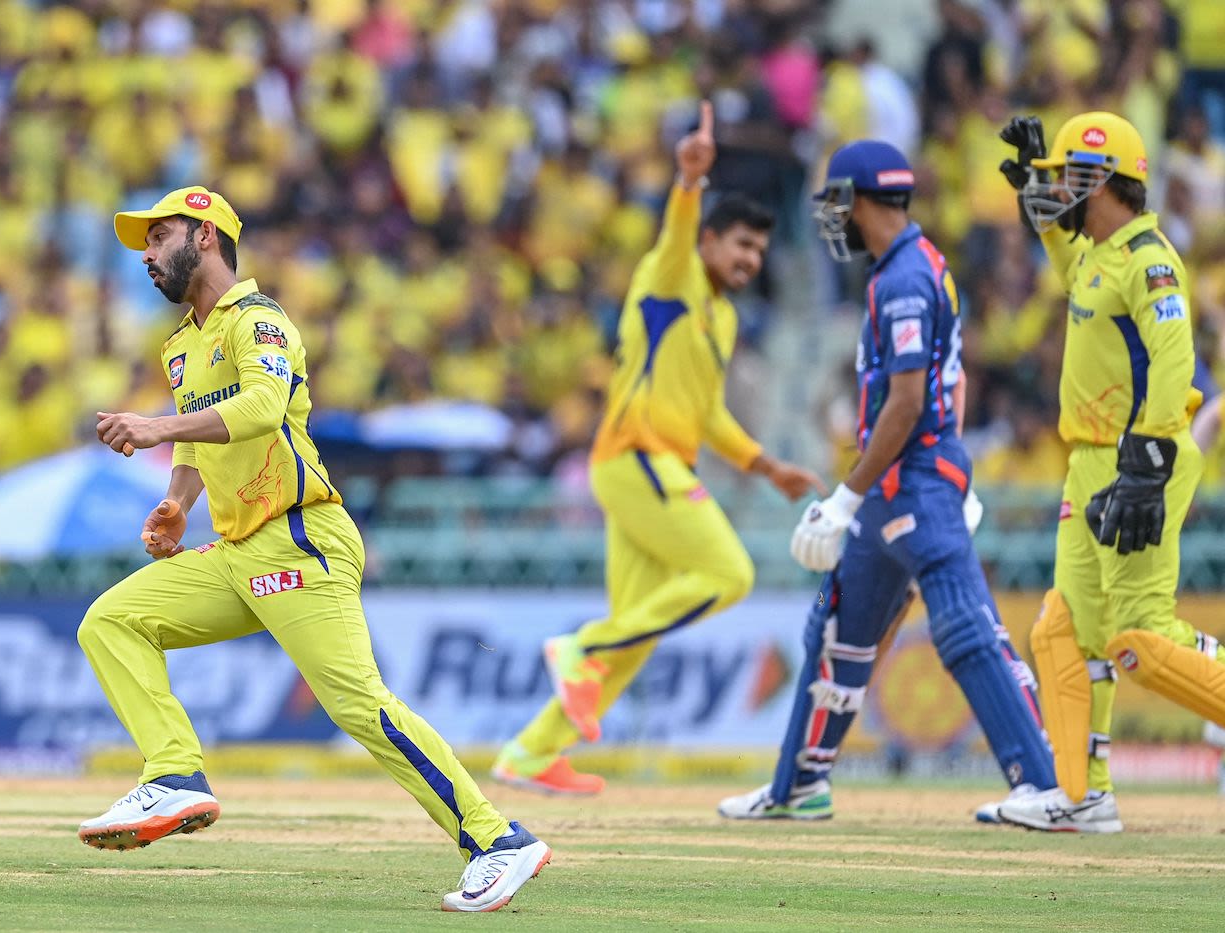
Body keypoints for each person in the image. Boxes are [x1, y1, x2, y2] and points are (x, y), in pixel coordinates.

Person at [80, 186, 550, 912]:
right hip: (239, 549)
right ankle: (175, 775)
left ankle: (499, 839)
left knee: (360, 704)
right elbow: (209, 435)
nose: (144, 255)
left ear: (205, 237)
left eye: (157, 236)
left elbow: (264, 408)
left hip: (298, 538)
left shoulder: (259, 319)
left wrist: (156, 428)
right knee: (110, 622)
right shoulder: (182, 345)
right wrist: (177, 502)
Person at [716, 140, 1057, 823]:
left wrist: (845, 498)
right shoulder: (919, 264)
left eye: (839, 202)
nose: (833, 218)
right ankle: (798, 785)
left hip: (917, 479)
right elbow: (947, 383)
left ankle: (1046, 783)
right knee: (837, 630)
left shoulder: (903, 278)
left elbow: (906, 402)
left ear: (864, 199)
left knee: (966, 627)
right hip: (907, 480)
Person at [491, 103, 826, 795]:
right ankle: (579, 645)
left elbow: (705, 411)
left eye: (759, 251)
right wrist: (688, 182)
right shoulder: (670, 278)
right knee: (730, 573)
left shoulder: (723, 316)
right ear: (707, 241)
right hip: (637, 459)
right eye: (739, 245)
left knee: (636, 632)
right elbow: (676, 234)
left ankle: (530, 751)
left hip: (646, 468)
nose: (749, 259)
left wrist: (767, 467)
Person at [994, 112, 1225, 832]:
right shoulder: (1096, 254)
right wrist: (1038, 195)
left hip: (1136, 459)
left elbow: (1174, 355)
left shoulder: (1149, 258)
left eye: (1070, 176)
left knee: (1138, 640)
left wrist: (1148, 457)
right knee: (1064, 630)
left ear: (1107, 180)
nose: (1058, 186)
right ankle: (1082, 794)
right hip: (1088, 462)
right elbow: (1068, 263)